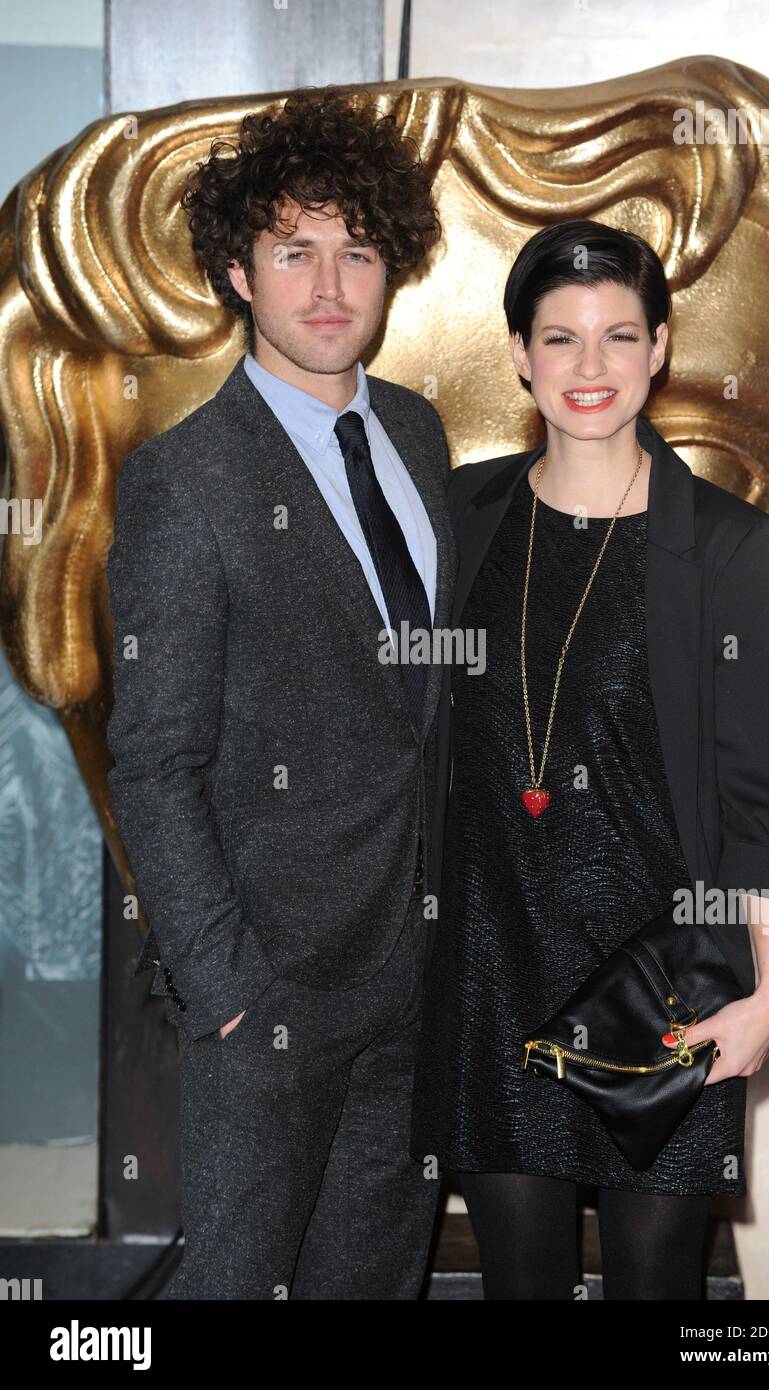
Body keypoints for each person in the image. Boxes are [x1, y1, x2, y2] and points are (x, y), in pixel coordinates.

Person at [410, 218, 769, 1300]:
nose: (588, 368)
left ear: (660, 348)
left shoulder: (734, 547)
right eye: (559, 339)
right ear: (517, 354)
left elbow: (763, 796)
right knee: (521, 1286)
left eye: (617, 337)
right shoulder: (462, 516)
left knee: (656, 1284)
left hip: (669, 980)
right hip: (496, 972)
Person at [106, 87, 455, 1299]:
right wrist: (229, 993)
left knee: (378, 1281)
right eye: (293, 249)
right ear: (238, 270)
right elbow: (151, 758)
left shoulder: (416, 436)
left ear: (389, 266)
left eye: (356, 250)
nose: (328, 284)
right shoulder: (186, 483)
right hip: (270, 994)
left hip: (416, 976)